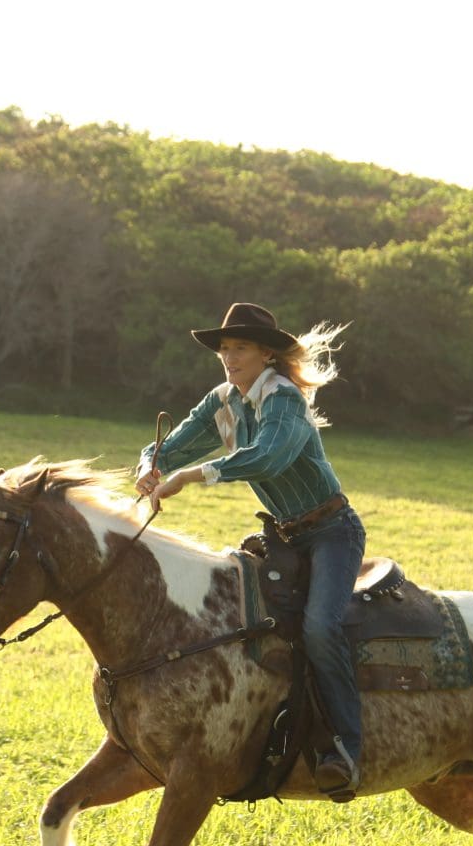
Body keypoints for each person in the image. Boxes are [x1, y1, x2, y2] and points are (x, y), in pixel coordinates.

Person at [137, 302, 367, 798]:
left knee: (320, 627)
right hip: (283, 534)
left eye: (239, 347)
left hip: (332, 533)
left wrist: (190, 476)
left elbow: (267, 456)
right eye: (224, 349)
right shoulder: (222, 400)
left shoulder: (283, 399)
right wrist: (149, 466)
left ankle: (348, 747)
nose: (228, 357)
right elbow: (169, 447)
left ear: (267, 353)